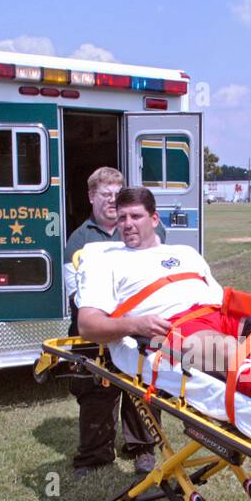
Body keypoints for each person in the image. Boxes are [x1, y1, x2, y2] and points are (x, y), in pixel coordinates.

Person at [76, 187, 251, 441]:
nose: (127, 224)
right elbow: (88, 326)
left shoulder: (184, 252)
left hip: (218, 312)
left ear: (154, 219)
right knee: (228, 352)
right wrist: (136, 324)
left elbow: (217, 294)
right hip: (173, 327)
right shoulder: (105, 260)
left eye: (135, 216)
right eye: (122, 217)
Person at [62, 167, 165, 477]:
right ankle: (94, 455)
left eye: (117, 195)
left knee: (143, 387)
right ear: (92, 197)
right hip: (98, 331)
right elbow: (78, 296)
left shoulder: (150, 235)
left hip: (139, 330)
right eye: (105, 194)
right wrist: (120, 321)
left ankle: (142, 449)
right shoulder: (79, 240)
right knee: (95, 393)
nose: (111, 201)